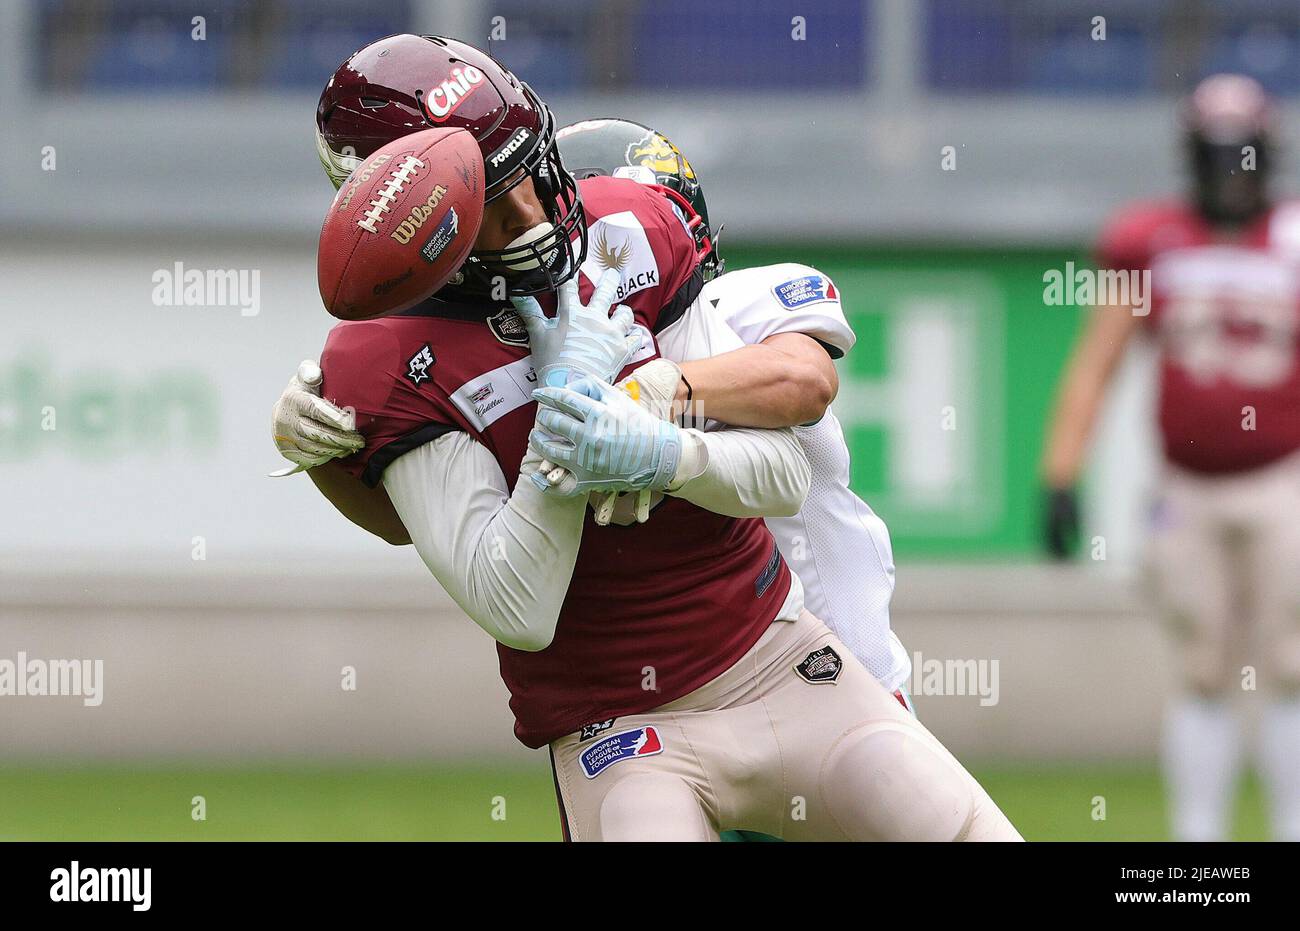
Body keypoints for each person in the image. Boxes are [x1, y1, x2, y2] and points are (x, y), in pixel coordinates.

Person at [280, 34, 1021, 841]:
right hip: (620, 732)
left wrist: (658, 432)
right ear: (412, 227)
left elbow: (782, 468)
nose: (532, 213)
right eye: (490, 204)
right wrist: (564, 433)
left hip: (778, 660)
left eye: (531, 169)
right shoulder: (386, 358)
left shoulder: (628, 229)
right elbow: (514, 605)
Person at [1041, 73, 1300, 841]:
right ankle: (1199, 847)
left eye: (1241, 155)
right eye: (1216, 156)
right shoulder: (1151, 237)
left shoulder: (1292, 237)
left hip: (1284, 475)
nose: (1230, 174)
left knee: (1292, 663)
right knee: (1202, 666)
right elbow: (1097, 362)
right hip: (1186, 483)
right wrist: (1061, 472)